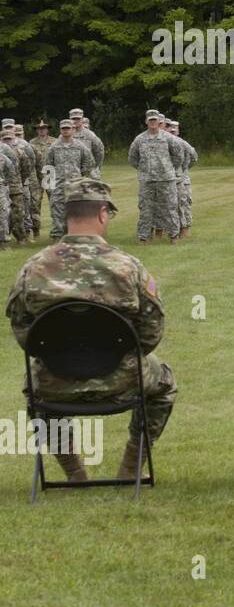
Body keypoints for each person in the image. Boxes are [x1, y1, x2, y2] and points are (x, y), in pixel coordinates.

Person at [6, 179, 178, 482]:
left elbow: (24, 333)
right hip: (121, 380)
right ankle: (131, 466)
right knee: (164, 382)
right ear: (102, 213)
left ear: (66, 215)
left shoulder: (32, 268)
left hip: (53, 383)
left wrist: (58, 356)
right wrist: (118, 356)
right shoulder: (128, 266)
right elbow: (151, 332)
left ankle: (74, 472)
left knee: (32, 385)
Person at [127, 110, 183, 243]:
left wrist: (168, 168)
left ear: (159, 122)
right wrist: (143, 169)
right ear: (146, 121)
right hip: (147, 180)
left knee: (170, 207)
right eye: (150, 120)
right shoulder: (139, 139)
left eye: (155, 120)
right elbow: (132, 158)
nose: (153, 122)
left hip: (166, 179)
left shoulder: (169, 138)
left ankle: (173, 235)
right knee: (145, 208)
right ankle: (144, 237)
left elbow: (178, 155)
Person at [43, 120, 94, 240]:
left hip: (75, 185)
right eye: (63, 128)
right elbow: (48, 166)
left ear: (73, 130)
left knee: (76, 210)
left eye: (68, 128)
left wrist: (81, 178)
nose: (65, 131)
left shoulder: (80, 146)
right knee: (57, 211)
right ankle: (58, 236)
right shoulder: (54, 147)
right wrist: (49, 186)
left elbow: (88, 163)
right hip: (58, 185)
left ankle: (75, 235)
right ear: (60, 130)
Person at [166, 119, 198, 238]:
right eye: (170, 131)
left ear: (178, 132)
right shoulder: (165, 142)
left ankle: (185, 229)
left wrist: (184, 169)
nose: (172, 133)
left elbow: (193, 156)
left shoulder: (183, 143)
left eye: (175, 131)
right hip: (169, 177)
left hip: (182, 179)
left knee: (184, 203)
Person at [28, 121, 54, 235]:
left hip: (50, 175)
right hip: (37, 176)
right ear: (36, 130)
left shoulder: (55, 141)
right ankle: (36, 229)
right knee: (35, 203)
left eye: (44, 128)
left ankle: (57, 227)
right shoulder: (31, 143)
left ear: (47, 129)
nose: (42, 130)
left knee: (54, 201)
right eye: (39, 128)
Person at [68, 108, 104, 179]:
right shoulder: (65, 135)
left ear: (82, 119)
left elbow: (99, 152)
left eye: (78, 118)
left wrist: (94, 167)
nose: (75, 121)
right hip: (71, 173)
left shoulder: (90, 135)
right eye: (73, 119)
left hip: (88, 174)